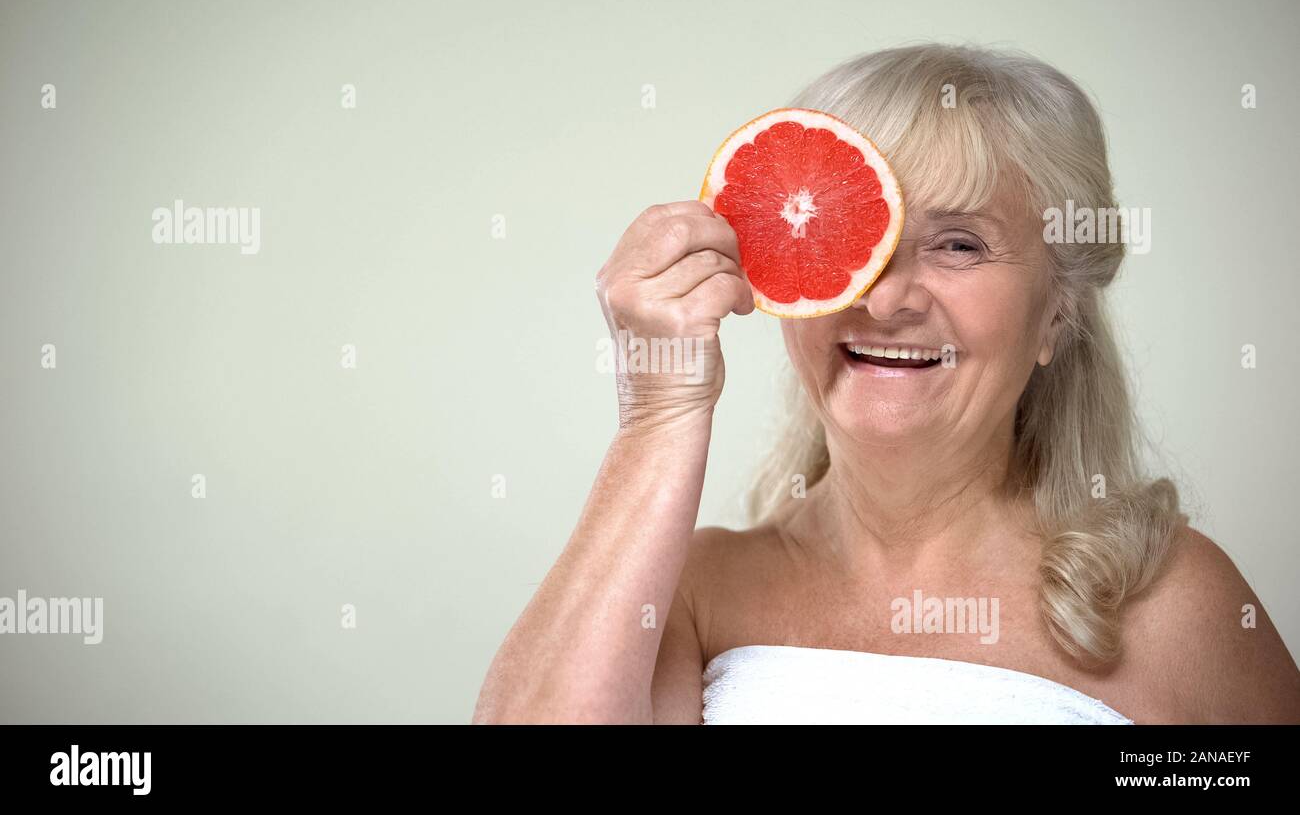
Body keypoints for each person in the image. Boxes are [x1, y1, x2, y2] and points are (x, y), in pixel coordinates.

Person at [473, 43, 1300, 724]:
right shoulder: (691, 593)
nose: (885, 298)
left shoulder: (1175, 605)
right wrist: (660, 413)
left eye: (959, 244)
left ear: (1056, 314)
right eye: (845, 238)